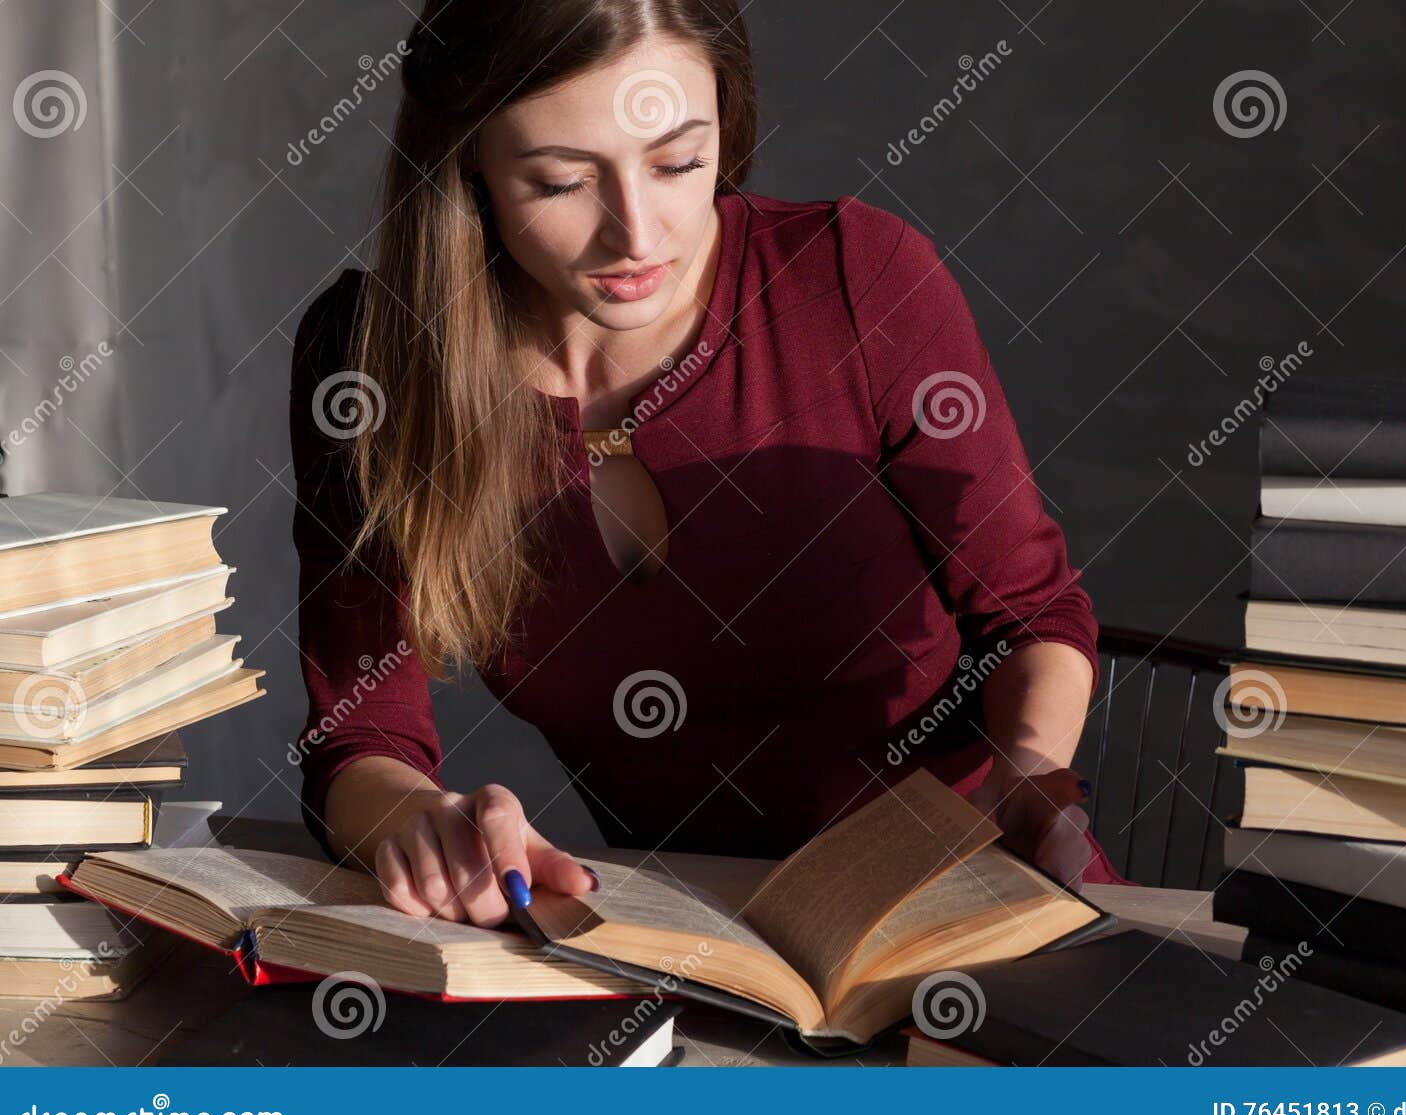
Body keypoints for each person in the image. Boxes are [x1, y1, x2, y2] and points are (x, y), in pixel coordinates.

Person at [289, 0, 1126, 931]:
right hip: (696, 944)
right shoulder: (373, 363)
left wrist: (1027, 768)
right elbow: (359, 730)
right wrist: (422, 822)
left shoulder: (856, 279)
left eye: (680, 162)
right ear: (468, 161)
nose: (639, 235)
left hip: (980, 902)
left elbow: (1033, 613)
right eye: (562, 182)